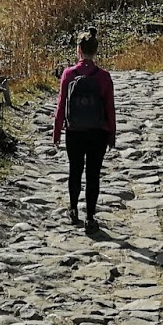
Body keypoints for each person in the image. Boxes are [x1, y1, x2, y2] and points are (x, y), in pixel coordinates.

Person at [52, 30, 117, 230]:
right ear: (96, 51)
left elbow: (61, 105)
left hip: (74, 132)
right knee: (93, 174)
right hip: (98, 132)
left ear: (78, 49)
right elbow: (110, 108)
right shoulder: (104, 77)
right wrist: (111, 134)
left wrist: (57, 131)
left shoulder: (68, 74)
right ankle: (90, 216)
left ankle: (73, 209)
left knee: (75, 171)